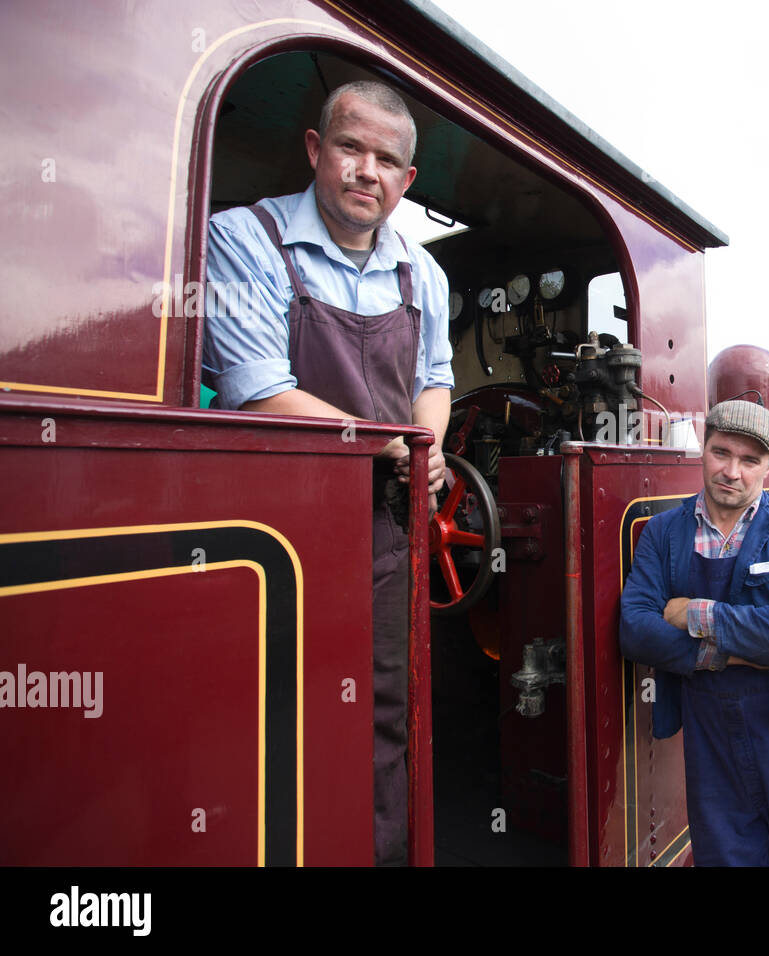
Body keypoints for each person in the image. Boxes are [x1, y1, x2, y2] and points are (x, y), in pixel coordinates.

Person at [201, 80, 453, 865]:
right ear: (316, 149)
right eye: (351, 148)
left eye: (387, 159)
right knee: (268, 709)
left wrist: (430, 442)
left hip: (384, 528)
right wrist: (401, 445)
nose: (365, 171)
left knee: (385, 710)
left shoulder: (425, 275)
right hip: (269, 524)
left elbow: (435, 380)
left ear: (407, 182)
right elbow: (260, 390)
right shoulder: (243, 237)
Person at [619, 400, 769, 866]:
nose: (731, 471)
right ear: (703, 451)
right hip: (711, 741)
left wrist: (696, 613)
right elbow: (635, 630)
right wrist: (727, 655)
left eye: (749, 460)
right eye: (721, 453)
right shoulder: (663, 534)